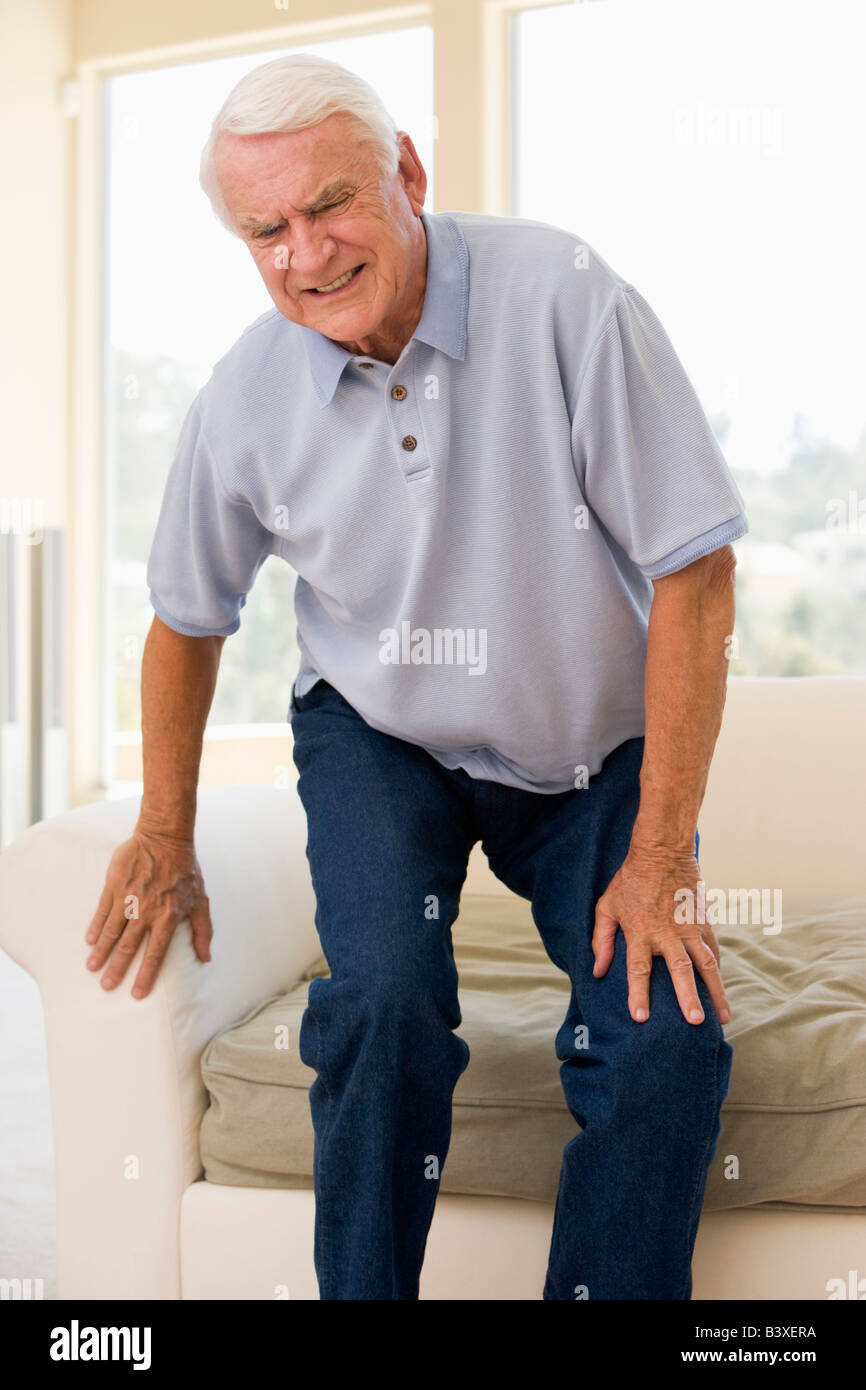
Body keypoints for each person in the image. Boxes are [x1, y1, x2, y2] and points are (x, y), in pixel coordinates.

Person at [85, 53, 747, 1300]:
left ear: (406, 174)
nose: (303, 253)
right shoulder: (242, 396)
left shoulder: (563, 298)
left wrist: (661, 851)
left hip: (588, 751)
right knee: (382, 1001)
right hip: (382, 739)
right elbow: (186, 617)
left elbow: (695, 573)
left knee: (665, 1040)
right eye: (264, 229)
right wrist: (163, 825)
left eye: (329, 204)